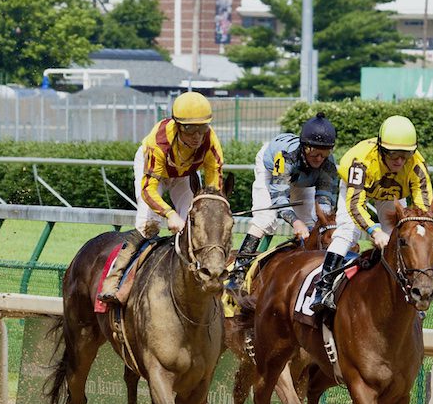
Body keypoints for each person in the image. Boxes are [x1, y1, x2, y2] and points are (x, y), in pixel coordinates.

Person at [97, 91, 224, 304]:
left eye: (202, 128)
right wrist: (169, 214)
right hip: (153, 174)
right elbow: (149, 190)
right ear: (177, 125)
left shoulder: (210, 142)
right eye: (190, 129)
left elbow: (214, 188)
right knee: (149, 225)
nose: (197, 136)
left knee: (197, 220)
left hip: (183, 175)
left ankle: (199, 275)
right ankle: (114, 279)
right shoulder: (159, 143)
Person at [311, 114, 433, 311]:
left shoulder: (417, 165)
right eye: (393, 154)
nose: (400, 161)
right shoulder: (361, 162)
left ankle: (406, 289)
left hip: (390, 194)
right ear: (381, 149)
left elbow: (423, 210)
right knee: (347, 233)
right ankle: (323, 288)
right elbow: (355, 206)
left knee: (400, 236)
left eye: (406, 155)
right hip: (357, 191)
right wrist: (374, 231)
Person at [229, 112, 339, 283]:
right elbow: (279, 198)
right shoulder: (286, 156)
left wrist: (322, 223)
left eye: (324, 154)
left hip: (301, 178)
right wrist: (295, 222)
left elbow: (324, 202)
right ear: (305, 148)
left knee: (311, 224)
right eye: (315, 154)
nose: (319, 159)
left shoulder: (329, 164)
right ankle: (239, 270)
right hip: (271, 169)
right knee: (266, 220)